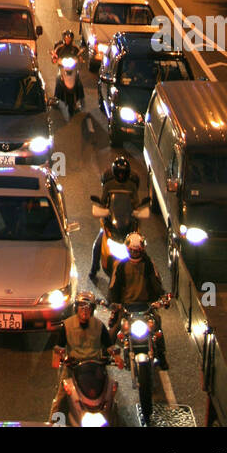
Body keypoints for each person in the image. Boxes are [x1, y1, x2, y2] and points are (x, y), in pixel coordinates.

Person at [50, 291, 118, 418]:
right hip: (73, 368)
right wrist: (59, 356)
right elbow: (59, 346)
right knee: (60, 400)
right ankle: (53, 423)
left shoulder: (99, 325)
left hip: (96, 368)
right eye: (81, 306)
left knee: (110, 398)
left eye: (88, 307)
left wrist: (116, 355)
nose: (85, 310)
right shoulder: (67, 325)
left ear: (92, 309)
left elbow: (109, 345)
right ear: (76, 308)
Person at [107, 233, 169, 363]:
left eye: (137, 251)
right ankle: (106, 354)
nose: (135, 253)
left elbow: (156, 282)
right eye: (132, 250)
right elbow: (113, 286)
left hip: (146, 304)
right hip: (126, 305)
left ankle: (161, 354)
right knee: (114, 329)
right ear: (128, 249)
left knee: (157, 323)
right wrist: (113, 303)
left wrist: (162, 298)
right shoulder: (120, 265)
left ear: (142, 250)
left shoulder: (148, 263)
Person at [89, 157, 141, 283]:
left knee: (141, 246)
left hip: (127, 219)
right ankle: (94, 268)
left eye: (124, 174)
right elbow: (104, 201)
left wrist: (136, 211)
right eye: (119, 173)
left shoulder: (132, 183)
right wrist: (104, 209)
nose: (121, 176)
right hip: (113, 219)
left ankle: (143, 273)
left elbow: (136, 201)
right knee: (98, 245)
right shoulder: (108, 183)